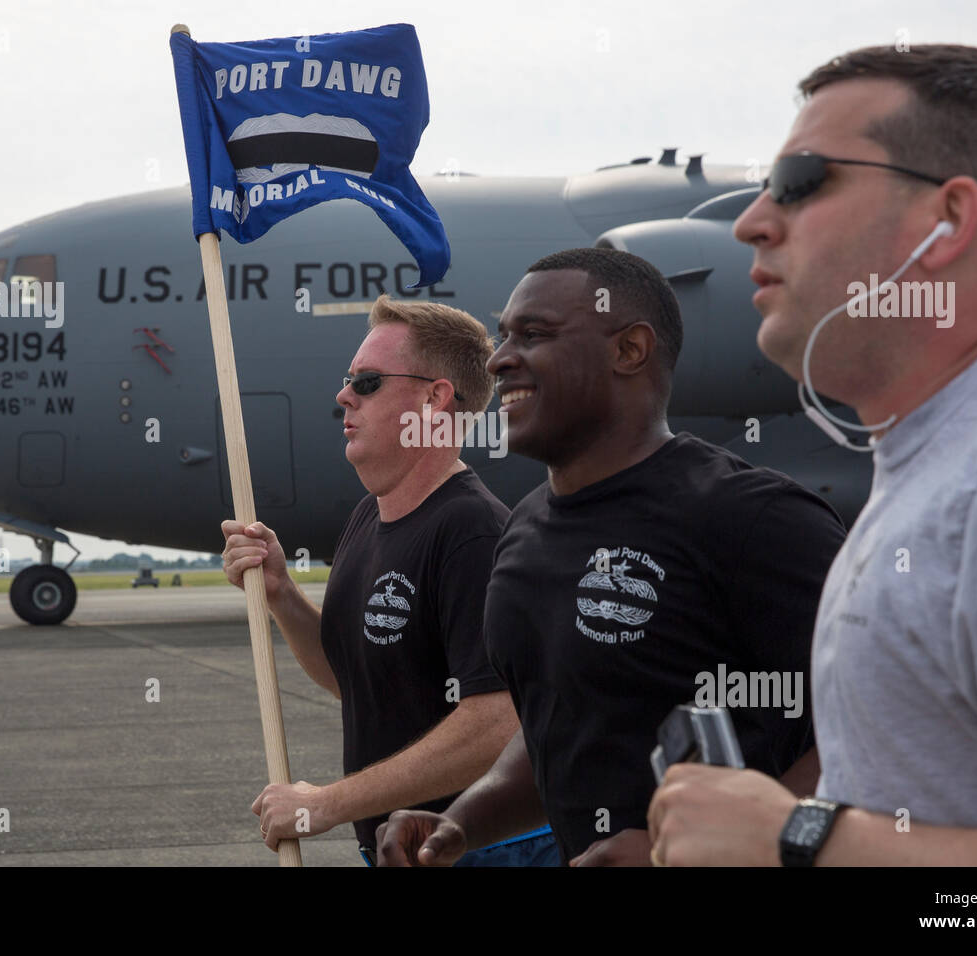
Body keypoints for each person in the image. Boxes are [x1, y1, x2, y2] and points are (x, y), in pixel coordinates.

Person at [648, 43, 977, 866]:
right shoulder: (962, 449)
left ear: (949, 221)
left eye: (799, 180)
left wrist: (798, 841)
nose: (752, 219)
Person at [376, 247, 847, 866]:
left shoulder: (753, 520)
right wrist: (461, 821)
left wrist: (726, 846)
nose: (499, 359)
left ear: (630, 350)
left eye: (535, 335)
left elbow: (890, 720)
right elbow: (563, 722)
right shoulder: (523, 532)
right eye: (503, 335)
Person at [221, 295, 556, 865]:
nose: (344, 394)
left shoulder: (471, 534)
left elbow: (497, 724)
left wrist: (329, 803)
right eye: (349, 378)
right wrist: (280, 593)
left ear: (433, 399)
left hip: (484, 850)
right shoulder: (368, 518)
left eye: (368, 381)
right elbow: (357, 682)